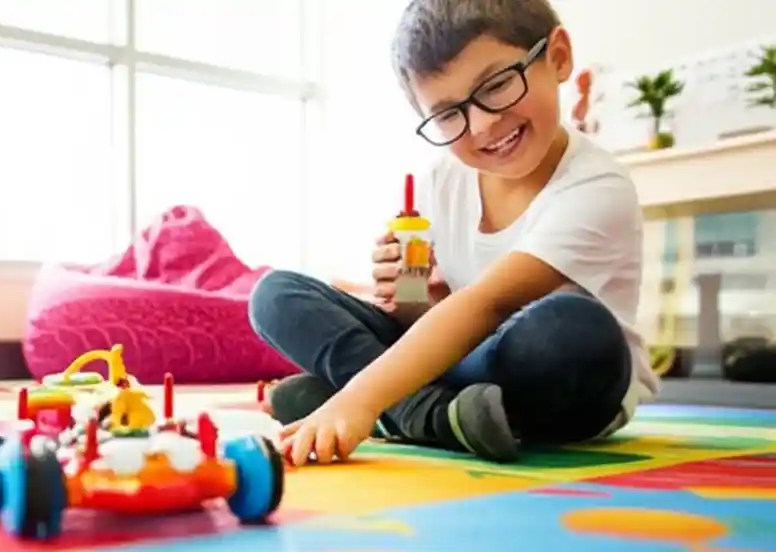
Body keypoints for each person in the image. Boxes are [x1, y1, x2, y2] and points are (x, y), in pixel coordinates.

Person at [248, 0, 658, 466]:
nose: (482, 124)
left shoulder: (597, 186)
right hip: (462, 363)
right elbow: (428, 317)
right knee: (276, 294)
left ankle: (386, 401)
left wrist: (358, 399)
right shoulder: (441, 181)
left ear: (558, 57)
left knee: (570, 330)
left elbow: (487, 305)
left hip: (561, 381)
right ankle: (427, 412)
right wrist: (409, 298)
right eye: (448, 114)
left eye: (499, 84)